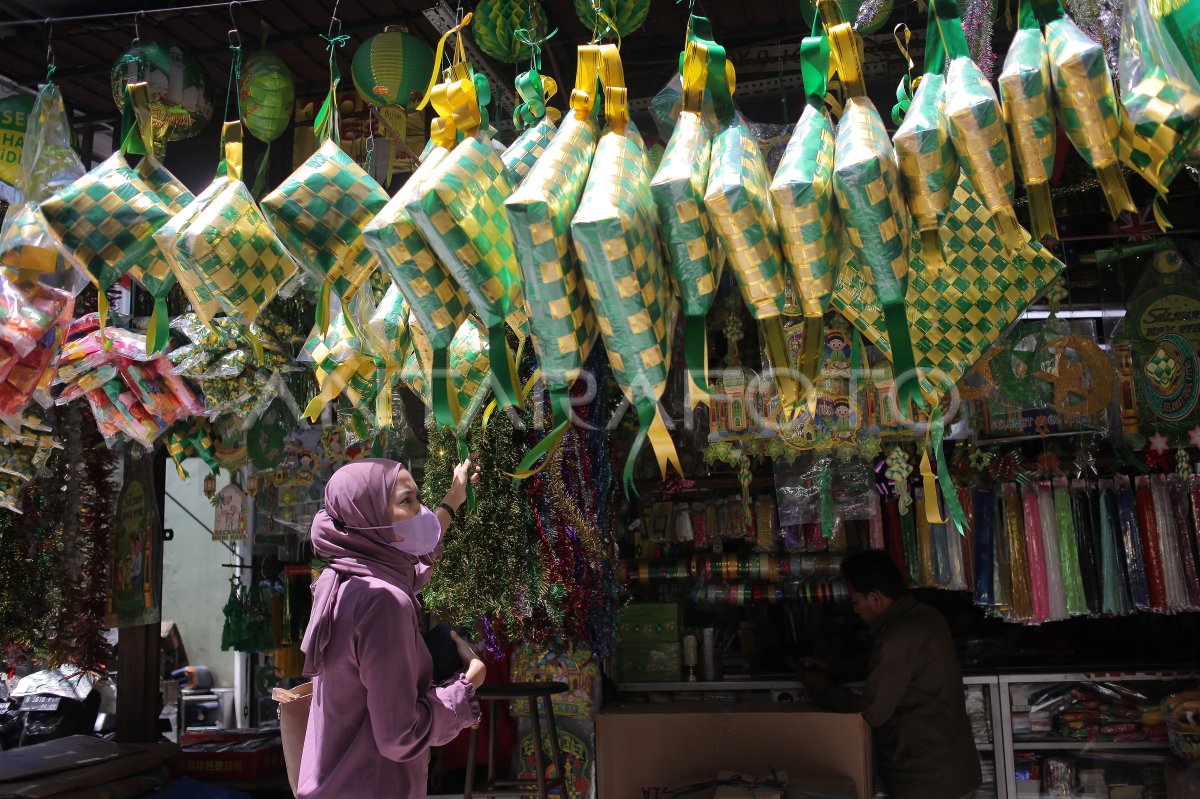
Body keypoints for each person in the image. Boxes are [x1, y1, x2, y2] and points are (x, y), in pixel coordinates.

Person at [298, 457, 485, 799]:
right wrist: (467, 685)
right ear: (368, 518)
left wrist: (452, 500)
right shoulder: (383, 603)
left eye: (417, 498)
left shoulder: (342, 579)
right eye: (406, 501)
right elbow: (401, 736)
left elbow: (412, 565)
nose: (419, 510)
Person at [801, 550, 981, 799]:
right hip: (954, 771)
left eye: (856, 602)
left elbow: (873, 711)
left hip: (926, 781)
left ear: (875, 598)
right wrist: (833, 668)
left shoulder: (896, 638)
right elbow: (892, 667)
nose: (855, 611)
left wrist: (822, 691)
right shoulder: (926, 616)